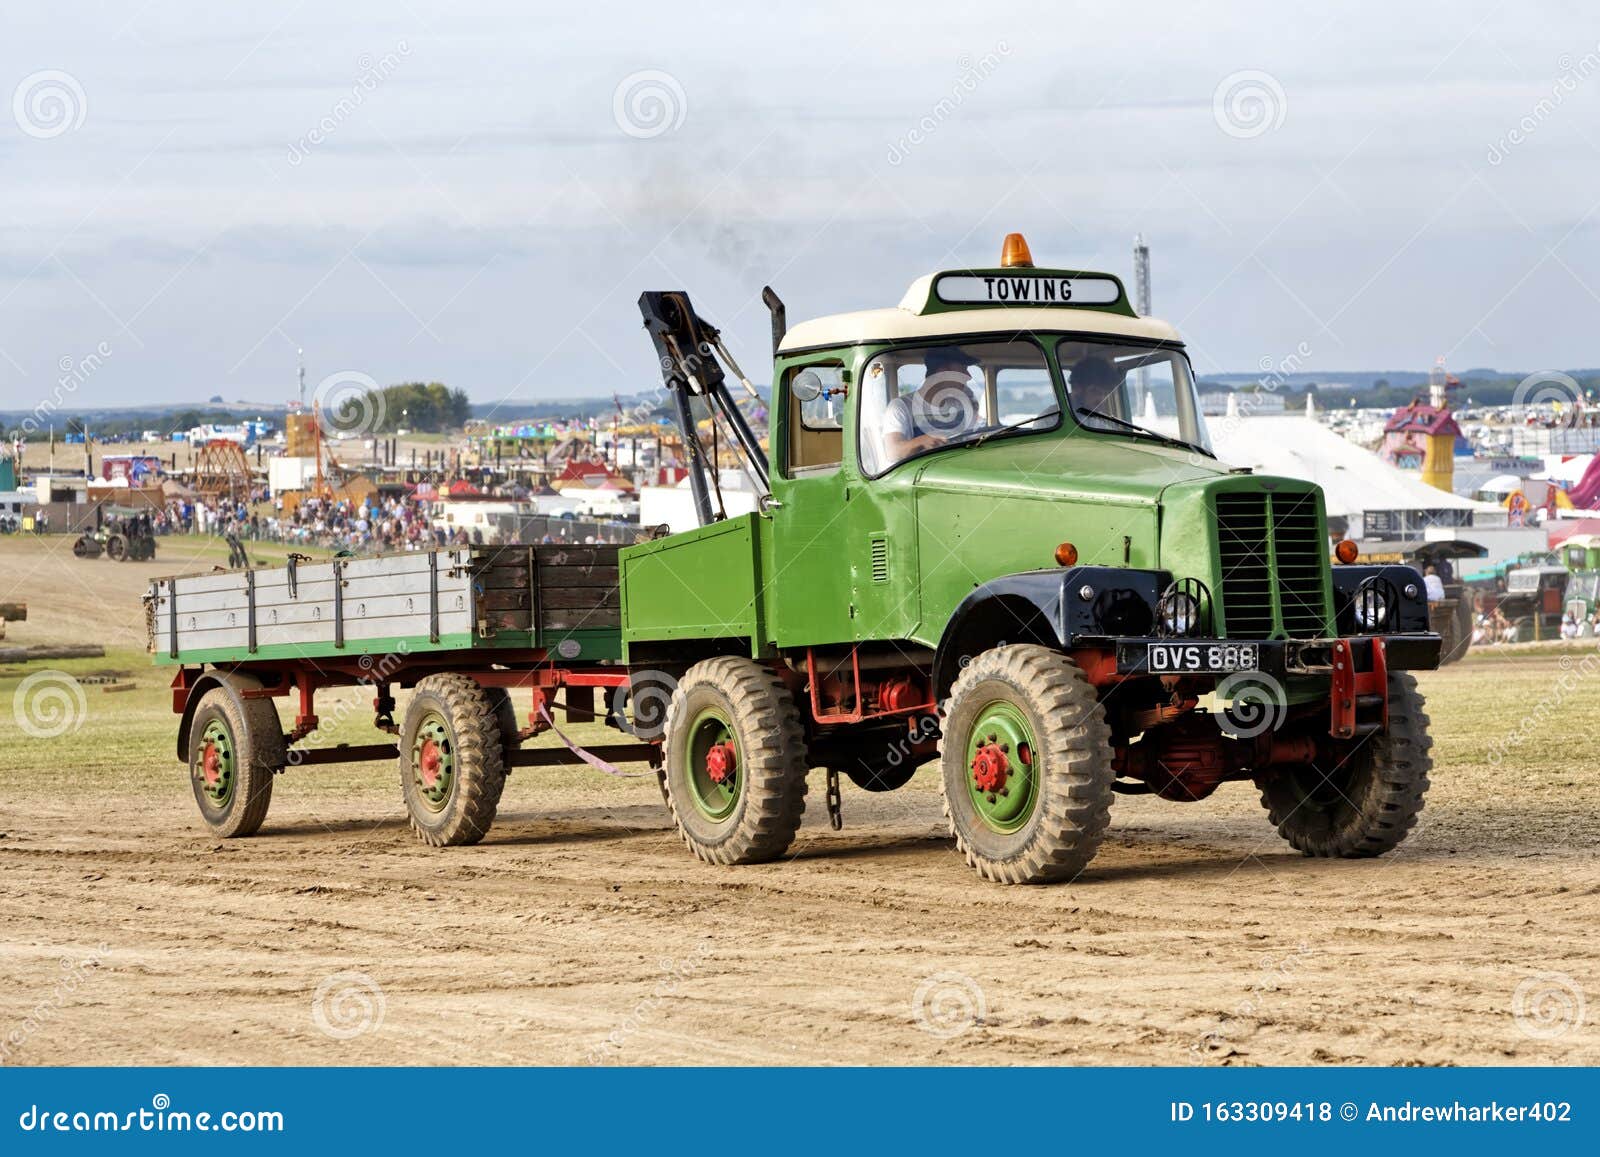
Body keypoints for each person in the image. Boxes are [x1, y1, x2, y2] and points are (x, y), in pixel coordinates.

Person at [882, 347, 981, 463]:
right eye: (963, 370)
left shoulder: (961, 401)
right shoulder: (900, 406)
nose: (969, 376)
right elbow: (893, 452)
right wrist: (921, 441)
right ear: (943, 373)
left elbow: (971, 436)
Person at [1067, 355, 1124, 421]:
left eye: (1105, 393)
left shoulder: (1103, 422)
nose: (1101, 399)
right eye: (1095, 391)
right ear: (1076, 388)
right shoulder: (1055, 420)